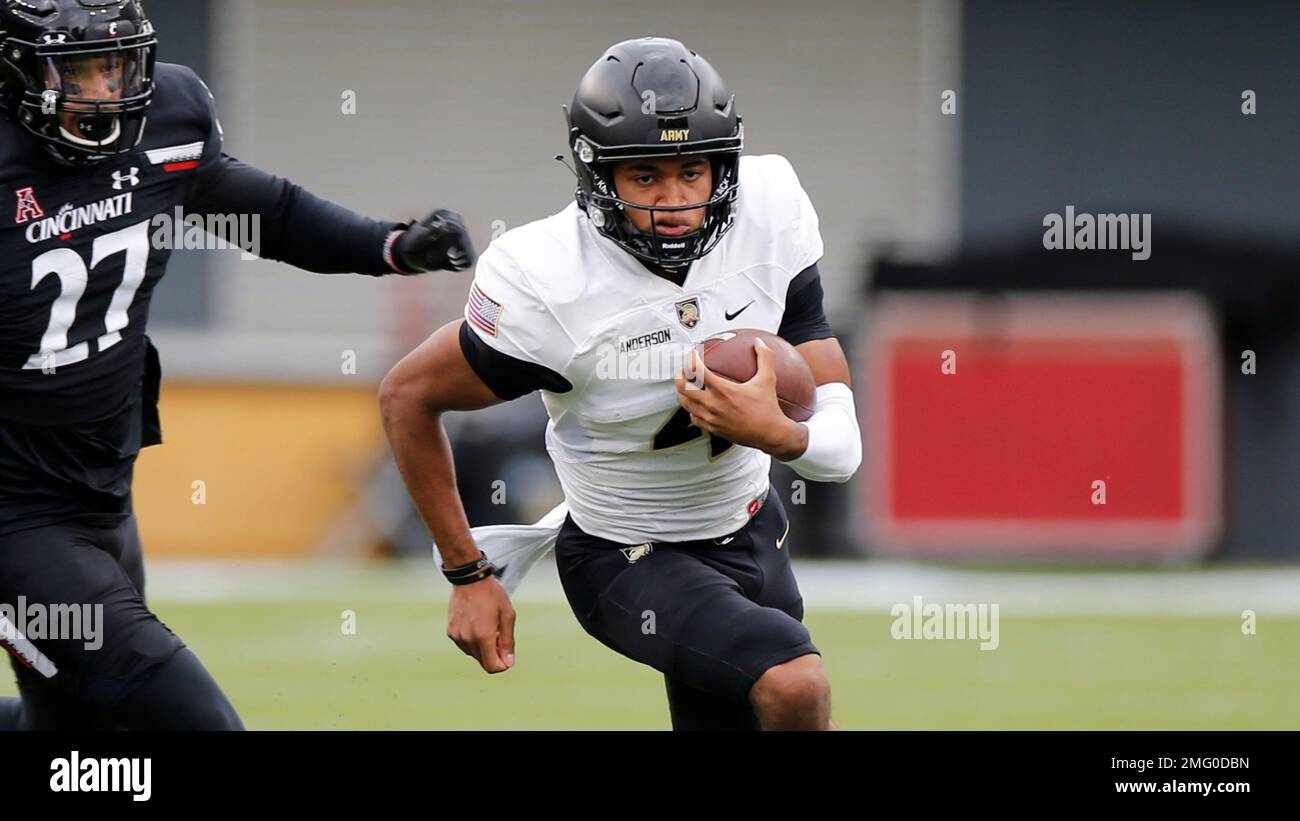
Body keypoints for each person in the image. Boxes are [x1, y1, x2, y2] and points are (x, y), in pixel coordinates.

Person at [0, 0, 475, 730]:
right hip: (16, 516)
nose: (106, 89)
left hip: (102, 492)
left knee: (73, 740)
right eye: (81, 70)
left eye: (116, 64)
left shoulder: (168, 117)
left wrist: (388, 247)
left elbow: (265, 211)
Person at [380, 37, 861, 730]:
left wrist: (779, 434)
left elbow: (841, 442)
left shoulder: (771, 210)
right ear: (597, 178)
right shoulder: (551, 281)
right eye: (645, 177)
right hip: (627, 556)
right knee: (794, 683)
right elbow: (407, 396)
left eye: (692, 171)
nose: (673, 200)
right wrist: (466, 573)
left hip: (754, 531)